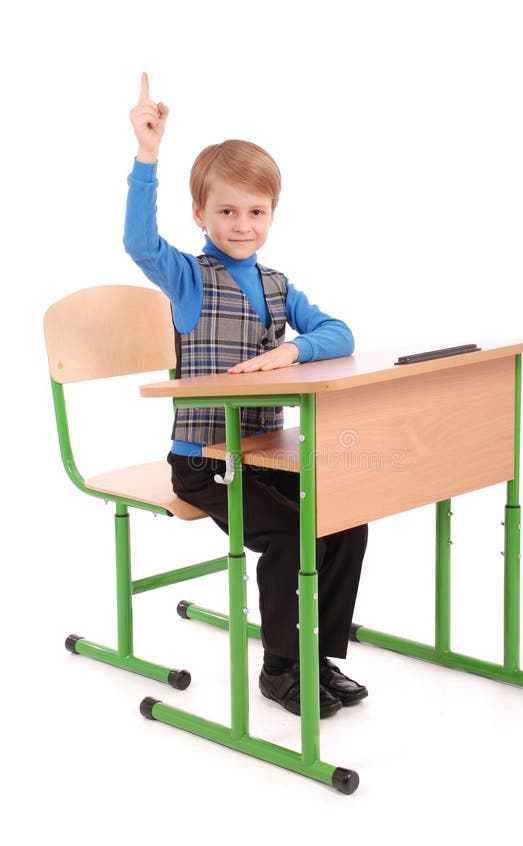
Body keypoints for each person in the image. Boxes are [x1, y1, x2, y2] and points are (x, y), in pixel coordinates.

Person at [125, 73, 368, 717]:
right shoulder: (188, 278)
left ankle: (321, 657)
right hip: (204, 463)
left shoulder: (280, 285)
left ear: (271, 216)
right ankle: (282, 669)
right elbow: (138, 243)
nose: (242, 224)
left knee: (344, 514)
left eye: (255, 212)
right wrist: (148, 155)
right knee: (292, 534)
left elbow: (339, 333)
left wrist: (291, 348)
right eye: (227, 211)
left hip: (260, 452)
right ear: (201, 215)